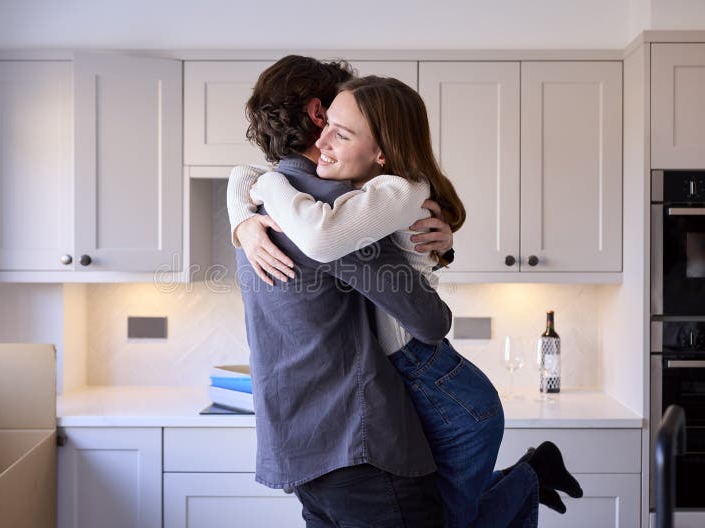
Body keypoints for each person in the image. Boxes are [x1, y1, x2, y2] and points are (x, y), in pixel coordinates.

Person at [229, 74, 584, 527]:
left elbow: (426, 315)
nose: (327, 138)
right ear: (317, 113)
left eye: (343, 129)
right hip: (359, 438)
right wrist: (248, 199)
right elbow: (422, 309)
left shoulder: (312, 209)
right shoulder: (304, 208)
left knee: (455, 518)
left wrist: (254, 197)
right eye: (329, 125)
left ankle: (530, 477)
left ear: (380, 147)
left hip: (425, 388)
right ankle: (532, 476)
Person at [229, 55, 453, 527]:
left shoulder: (256, 208)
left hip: (300, 450)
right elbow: (429, 321)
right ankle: (529, 480)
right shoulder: (328, 210)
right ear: (318, 114)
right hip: (360, 448)